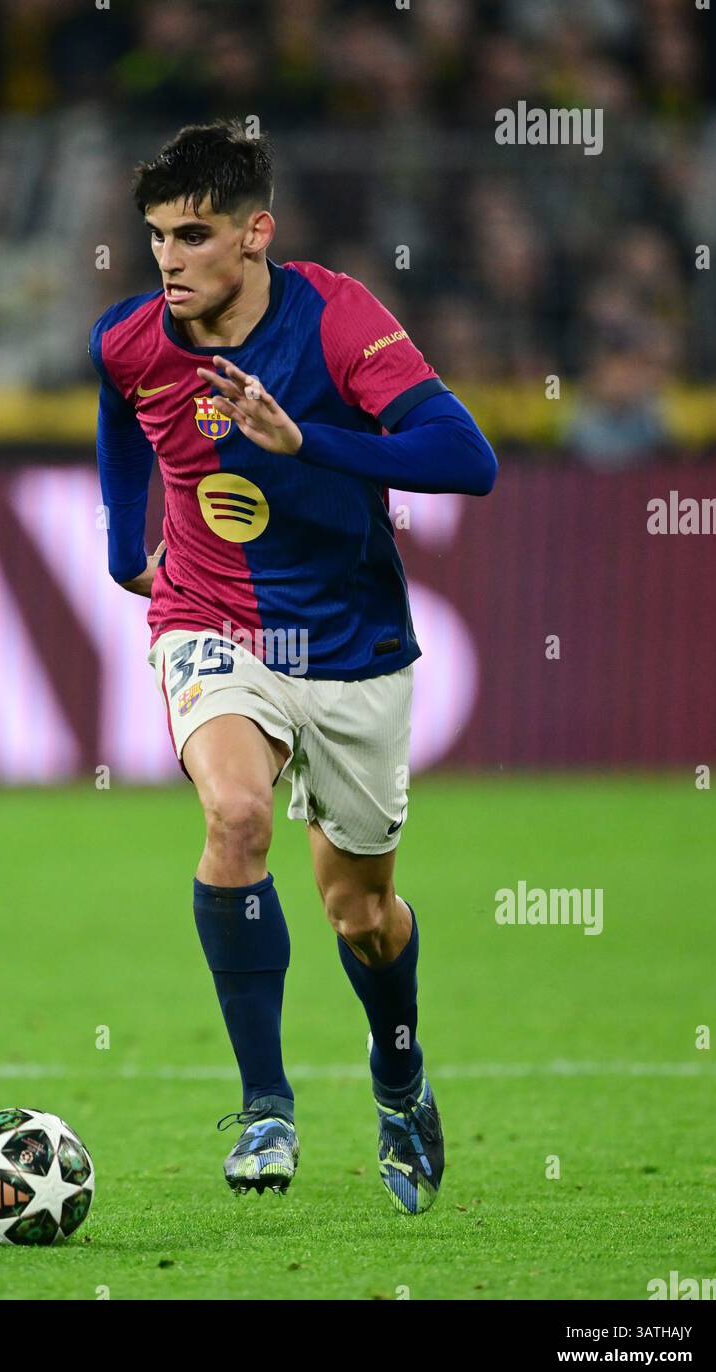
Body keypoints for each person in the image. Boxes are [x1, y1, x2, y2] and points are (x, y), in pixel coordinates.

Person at [89, 120, 497, 1214]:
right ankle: (266, 1102)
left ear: (256, 233)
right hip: (213, 618)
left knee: (361, 913)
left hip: (352, 644)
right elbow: (121, 419)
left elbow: (469, 458)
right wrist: (127, 550)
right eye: (158, 237)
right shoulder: (133, 339)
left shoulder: (336, 320)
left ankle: (399, 1069)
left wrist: (306, 440)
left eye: (196, 234)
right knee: (236, 818)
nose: (170, 259)